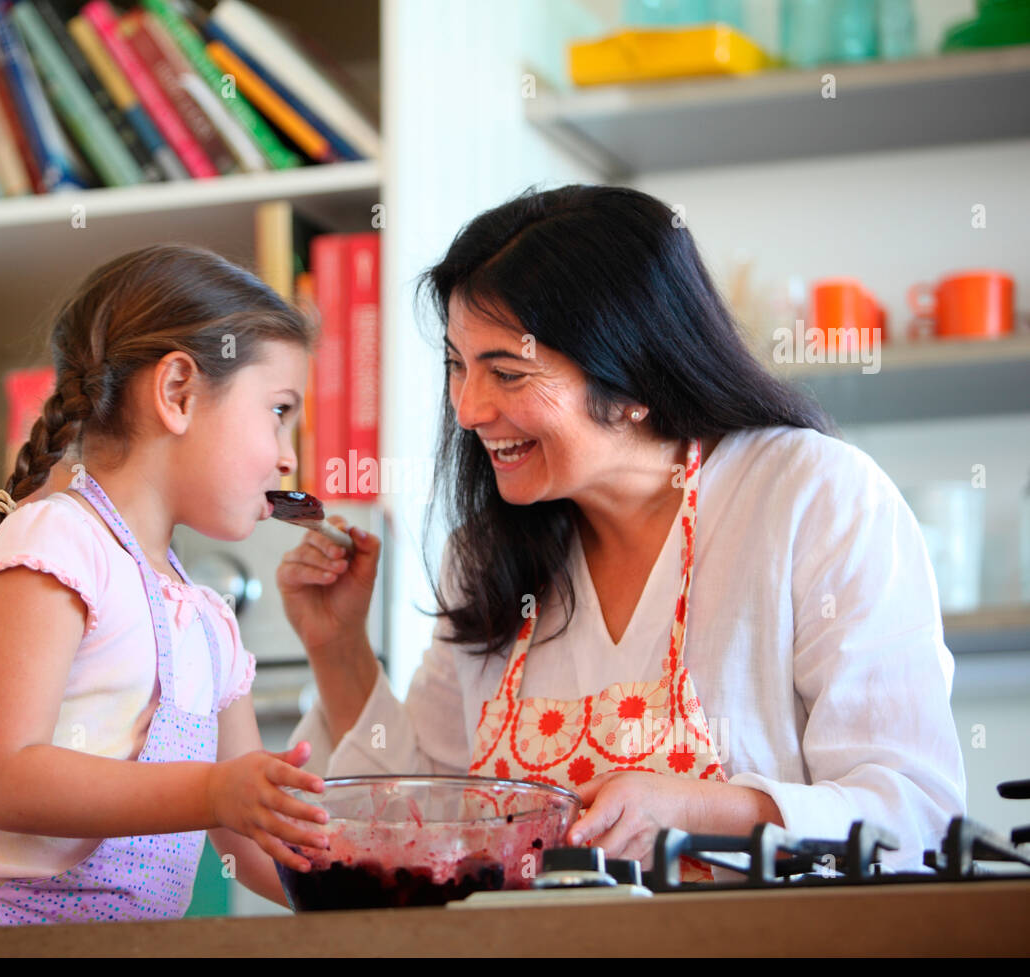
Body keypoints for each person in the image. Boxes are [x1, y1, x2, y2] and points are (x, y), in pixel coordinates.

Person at [280, 185, 966, 881]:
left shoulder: (810, 496)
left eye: (507, 373)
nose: (467, 410)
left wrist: (699, 812)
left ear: (634, 379)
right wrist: (338, 649)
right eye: (457, 366)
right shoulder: (487, 558)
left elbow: (915, 814)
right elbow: (424, 831)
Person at [0, 245, 331, 929]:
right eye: (278, 411)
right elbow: (6, 780)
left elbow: (249, 837)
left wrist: (371, 880)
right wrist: (213, 790)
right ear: (178, 393)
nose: (290, 456)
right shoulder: (54, 544)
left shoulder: (208, 623)